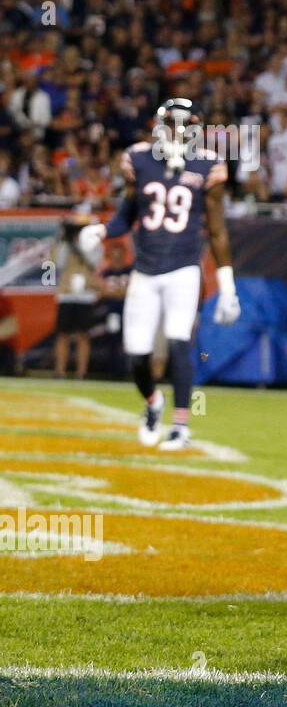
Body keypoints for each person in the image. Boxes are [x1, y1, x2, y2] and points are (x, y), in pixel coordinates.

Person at [79, 99, 241, 450]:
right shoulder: (138, 158)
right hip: (146, 269)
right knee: (137, 352)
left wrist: (227, 287)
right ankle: (153, 402)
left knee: (180, 340)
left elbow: (217, 230)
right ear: (157, 126)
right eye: (171, 124)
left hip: (184, 267)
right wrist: (102, 231)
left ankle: (181, 426)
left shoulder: (209, 164)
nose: (177, 132)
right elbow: (127, 213)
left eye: (184, 125)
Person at [52, 219, 100, 379]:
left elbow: (94, 261)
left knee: (83, 335)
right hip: (66, 294)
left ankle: (81, 372)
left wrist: (79, 243)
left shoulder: (94, 244)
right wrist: (66, 241)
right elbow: (58, 263)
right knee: (63, 334)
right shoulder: (63, 245)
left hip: (85, 295)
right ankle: (60, 371)